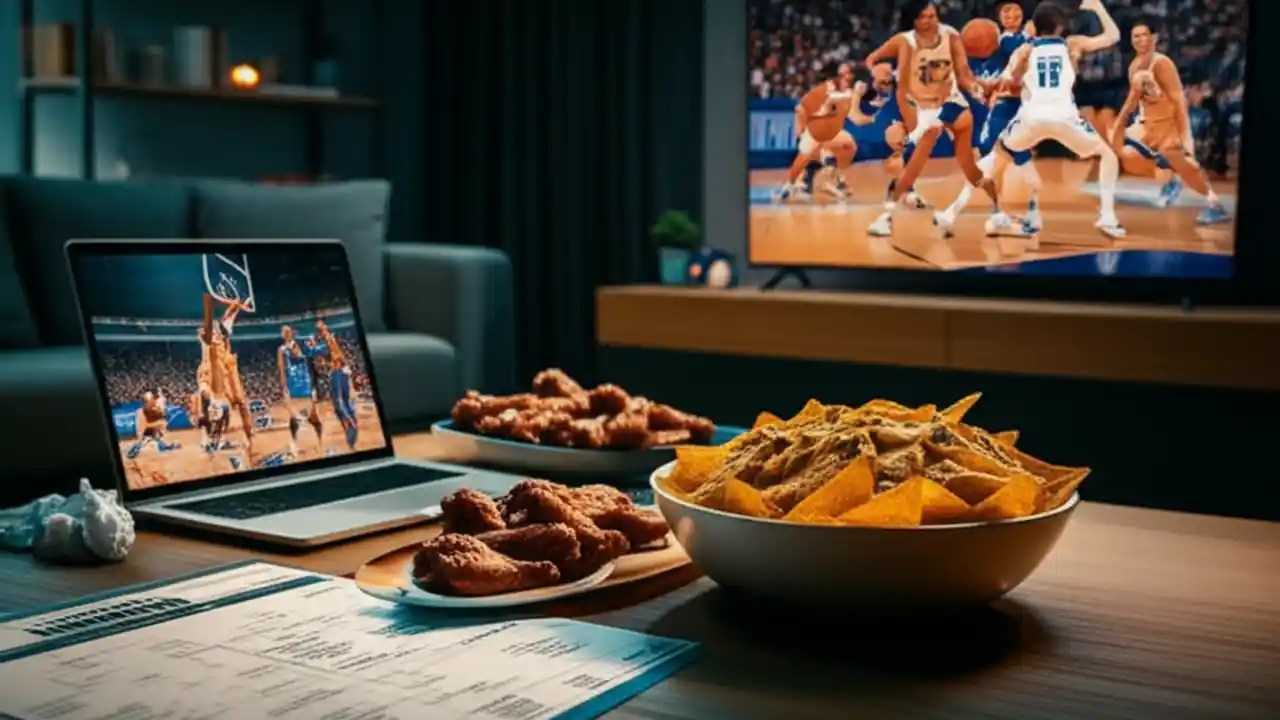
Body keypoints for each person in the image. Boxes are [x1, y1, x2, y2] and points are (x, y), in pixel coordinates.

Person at [866, 0, 1007, 238]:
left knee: (970, 167)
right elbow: (872, 59)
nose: (931, 20)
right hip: (922, 107)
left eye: (933, 15)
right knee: (912, 168)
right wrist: (877, 71)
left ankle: (999, 208)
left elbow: (963, 73)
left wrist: (975, 88)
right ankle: (886, 217)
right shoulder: (904, 42)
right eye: (925, 17)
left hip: (950, 103)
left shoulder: (950, 35)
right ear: (914, 21)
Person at [996, 0, 1127, 239]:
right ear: (1060, 26)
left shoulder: (1024, 49)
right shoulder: (1072, 44)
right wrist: (1097, 7)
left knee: (1002, 149)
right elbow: (1113, 35)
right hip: (1064, 116)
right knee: (1108, 155)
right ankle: (1108, 217)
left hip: (1032, 117)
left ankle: (1004, 212)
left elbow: (1006, 80)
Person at [935, 1, 1038, 237]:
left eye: (1016, 11)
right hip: (999, 115)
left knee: (1011, 168)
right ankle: (997, 214)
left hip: (1019, 113)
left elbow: (1016, 76)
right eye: (1006, 12)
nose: (1011, 15)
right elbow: (978, 81)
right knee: (992, 166)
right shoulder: (983, 49)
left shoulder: (1018, 42)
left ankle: (1005, 215)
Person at [1112, 20, 1230, 225]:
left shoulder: (1163, 64)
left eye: (1144, 35)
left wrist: (1186, 136)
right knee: (1124, 145)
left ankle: (1215, 205)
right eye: (1135, 36)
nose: (1140, 39)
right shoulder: (1134, 66)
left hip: (1169, 126)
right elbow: (1135, 100)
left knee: (1185, 166)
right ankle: (1171, 177)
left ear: (1154, 38)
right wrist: (1123, 124)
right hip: (1149, 125)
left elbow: (1179, 100)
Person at [775, 63, 857, 203]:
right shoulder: (825, 90)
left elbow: (854, 115)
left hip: (830, 136)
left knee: (849, 145)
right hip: (813, 133)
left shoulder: (848, 94)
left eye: (849, 75)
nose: (847, 78)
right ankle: (791, 185)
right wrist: (800, 131)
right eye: (843, 75)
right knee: (809, 156)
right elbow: (800, 108)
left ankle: (833, 177)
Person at [277, 325, 324, 458]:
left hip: (305, 383)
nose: (286, 334)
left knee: (314, 417)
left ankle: (320, 441)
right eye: (284, 332)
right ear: (282, 335)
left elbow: (308, 359)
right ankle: (295, 443)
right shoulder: (281, 349)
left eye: (288, 332)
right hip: (293, 385)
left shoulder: (300, 346)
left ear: (292, 333)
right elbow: (281, 369)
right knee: (293, 418)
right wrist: (284, 387)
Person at [313, 318, 358, 449]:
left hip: (339, 376)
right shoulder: (336, 358)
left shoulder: (335, 350)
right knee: (341, 406)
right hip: (340, 374)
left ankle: (350, 427)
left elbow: (335, 353)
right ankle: (350, 432)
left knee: (340, 405)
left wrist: (323, 329)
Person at [125, 391, 180, 459]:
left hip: (153, 436)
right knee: (159, 425)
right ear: (147, 401)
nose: (154, 400)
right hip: (144, 436)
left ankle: (161, 444)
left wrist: (162, 403)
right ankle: (136, 449)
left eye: (154, 399)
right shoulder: (141, 412)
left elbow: (163, 414)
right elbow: (143, 427)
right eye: (152, 399)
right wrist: (158, 423)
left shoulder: (155, 409)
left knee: (161, 425)